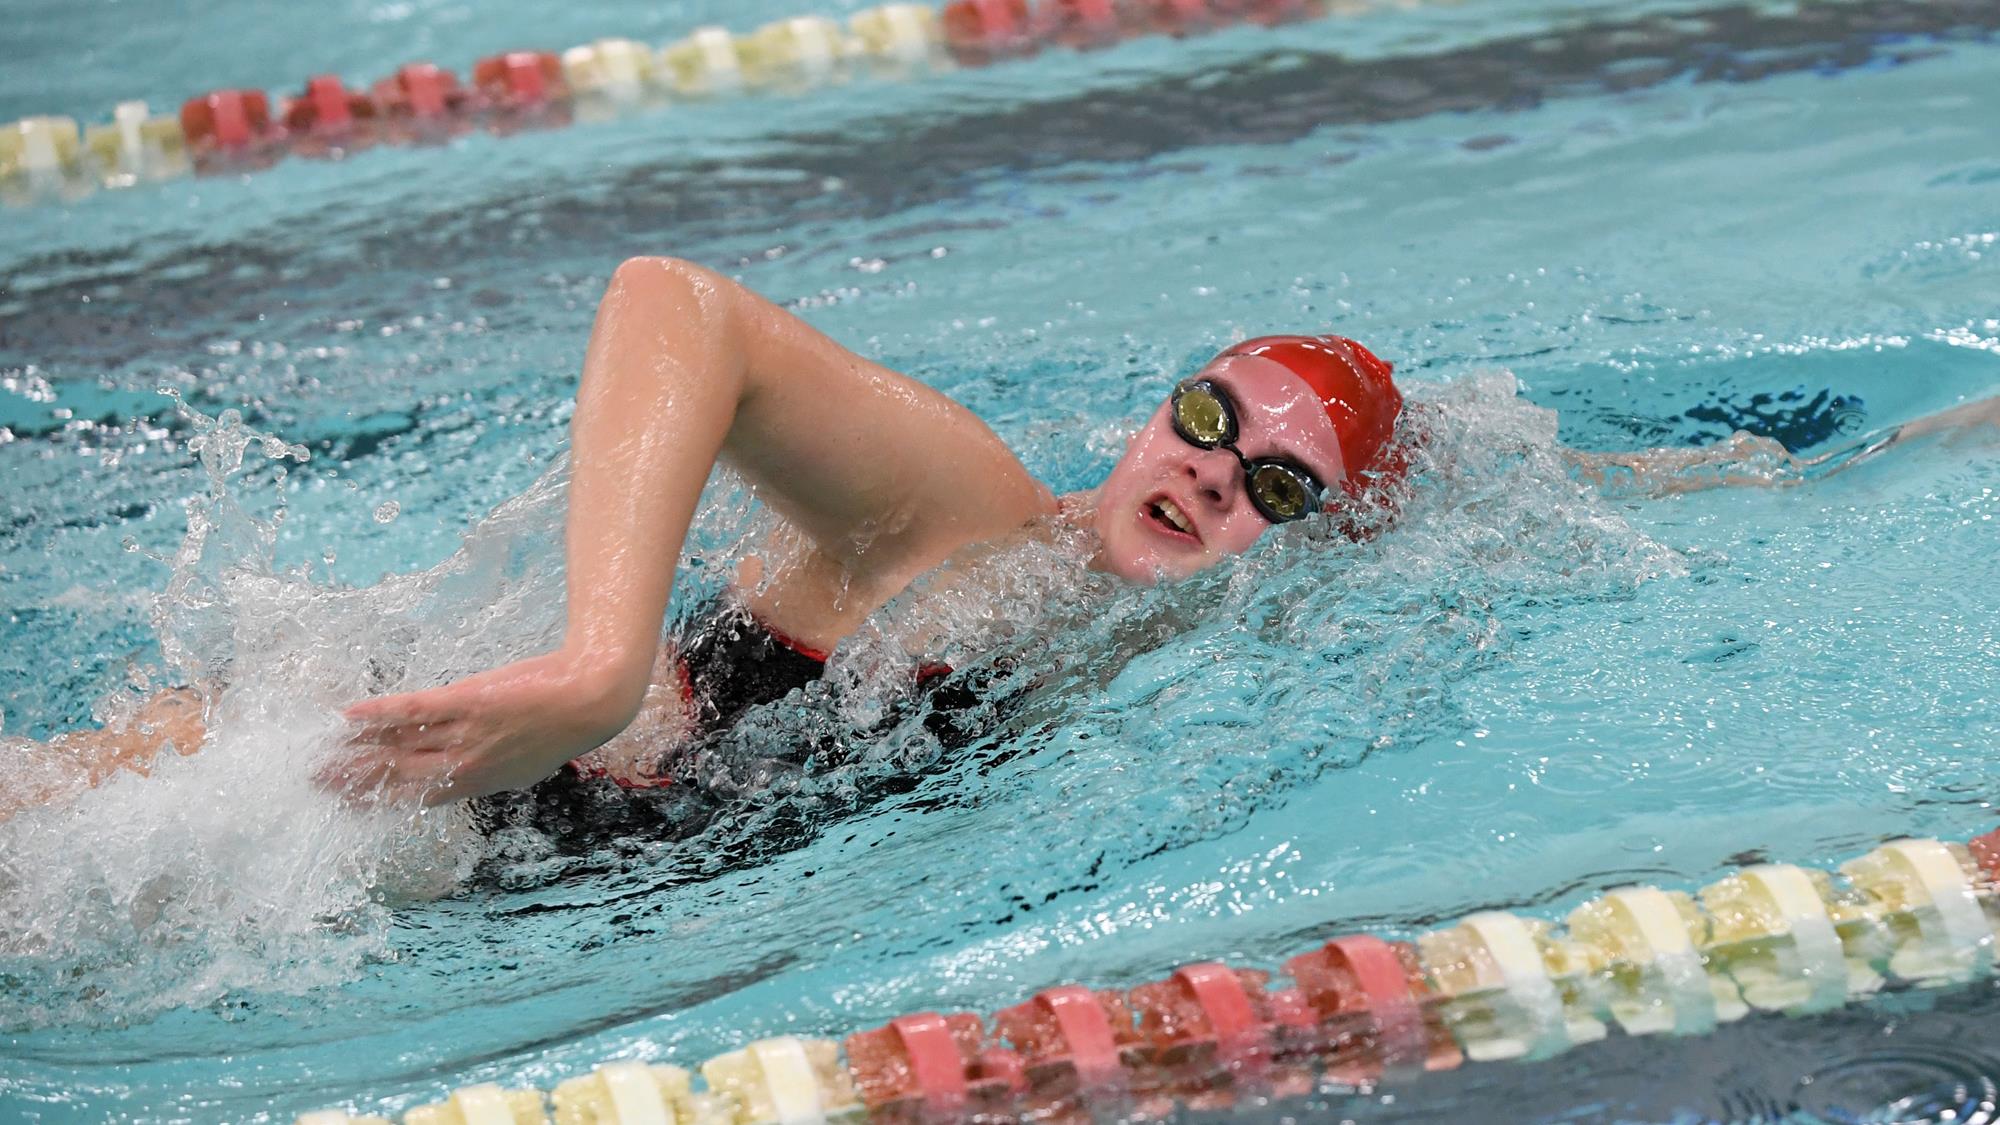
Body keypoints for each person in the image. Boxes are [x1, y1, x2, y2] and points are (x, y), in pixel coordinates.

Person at [9, 256, 1996, 820]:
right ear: (1160, 403)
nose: (1213, 474)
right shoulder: (967, 508)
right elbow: (673, 303)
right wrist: (597, 659)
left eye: (1273, 484)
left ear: (1314, 539)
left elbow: (1587, 493)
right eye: (1207, 418)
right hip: (369, 793)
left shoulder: (1165, 624)